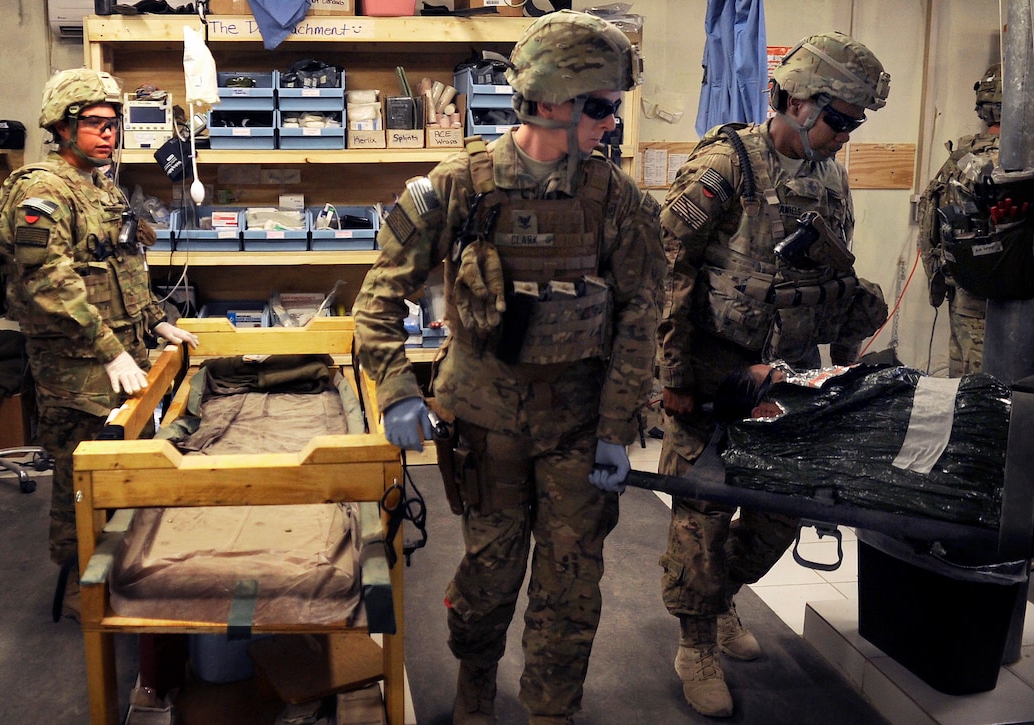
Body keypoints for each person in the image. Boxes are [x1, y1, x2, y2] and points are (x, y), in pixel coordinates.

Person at [352, 11, 663, 724]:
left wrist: (619, 427)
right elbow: (378, 297)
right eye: (603, 107)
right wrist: (398, 388)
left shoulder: (614, 199)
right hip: (485, 427)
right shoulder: (458, 185)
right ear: (554, 100)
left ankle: (552, 710)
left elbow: (642, 316)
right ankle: (474, 691)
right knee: (488, 578)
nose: (612, 125)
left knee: (571, 586)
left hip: (578, 431)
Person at [655, 32, 890, 717]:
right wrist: (672, 373)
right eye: (838, 119)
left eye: (855, 122)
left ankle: (720, 597)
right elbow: (669, 268)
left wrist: (848, 369)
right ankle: (695, 637)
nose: (845, 135)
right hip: (712, 370)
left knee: (781, 514)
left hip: (789, 377)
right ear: (793, 100)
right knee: (701, 513)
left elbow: (835, 276)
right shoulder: (725, 164)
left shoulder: (830, 177)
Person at [0, 67, 198, 621]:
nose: (108, 133)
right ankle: (80, 581)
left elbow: (121, 266)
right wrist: (110, 348)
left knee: (122, 458)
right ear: (63, 126)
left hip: (119, 352)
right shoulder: (41, 189)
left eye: (113, 124)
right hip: (74, 363)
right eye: (94, 123)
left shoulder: (101, 185)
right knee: (80, 469)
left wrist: (156, 321)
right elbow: (49, 281)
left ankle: (121, 555)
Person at [916, 63, 1001, 376]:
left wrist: (937, 282)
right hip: (1007, 300)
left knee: (962, 382)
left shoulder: (961, 156)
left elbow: (928, 220)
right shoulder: (1018, 160)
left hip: (961, 293)